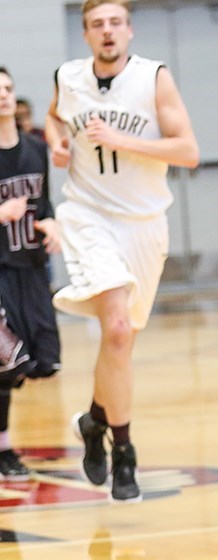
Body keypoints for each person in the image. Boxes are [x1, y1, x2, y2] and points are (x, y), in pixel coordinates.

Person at [45, 0, 199, 503]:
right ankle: (124, 451)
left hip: (143, 223)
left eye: (115, 22)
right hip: (88, 216)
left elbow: (187, 151)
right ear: (85, 34)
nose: (107, 31)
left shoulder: (154, 77)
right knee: (113, 327)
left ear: (129, 31)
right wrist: (58, 145)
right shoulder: (68, 78)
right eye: (96, 24)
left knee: (121, 343)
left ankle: (94, 420)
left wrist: (123, 141)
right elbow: (52, 119)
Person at [0, 67, 62, 480]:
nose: (2, 96)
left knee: (40, 364)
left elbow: (46, 202)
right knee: (5, 363)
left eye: (6, 88)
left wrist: (53, 223)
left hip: (32, 270)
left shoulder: (35, 148)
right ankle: (4, 449)